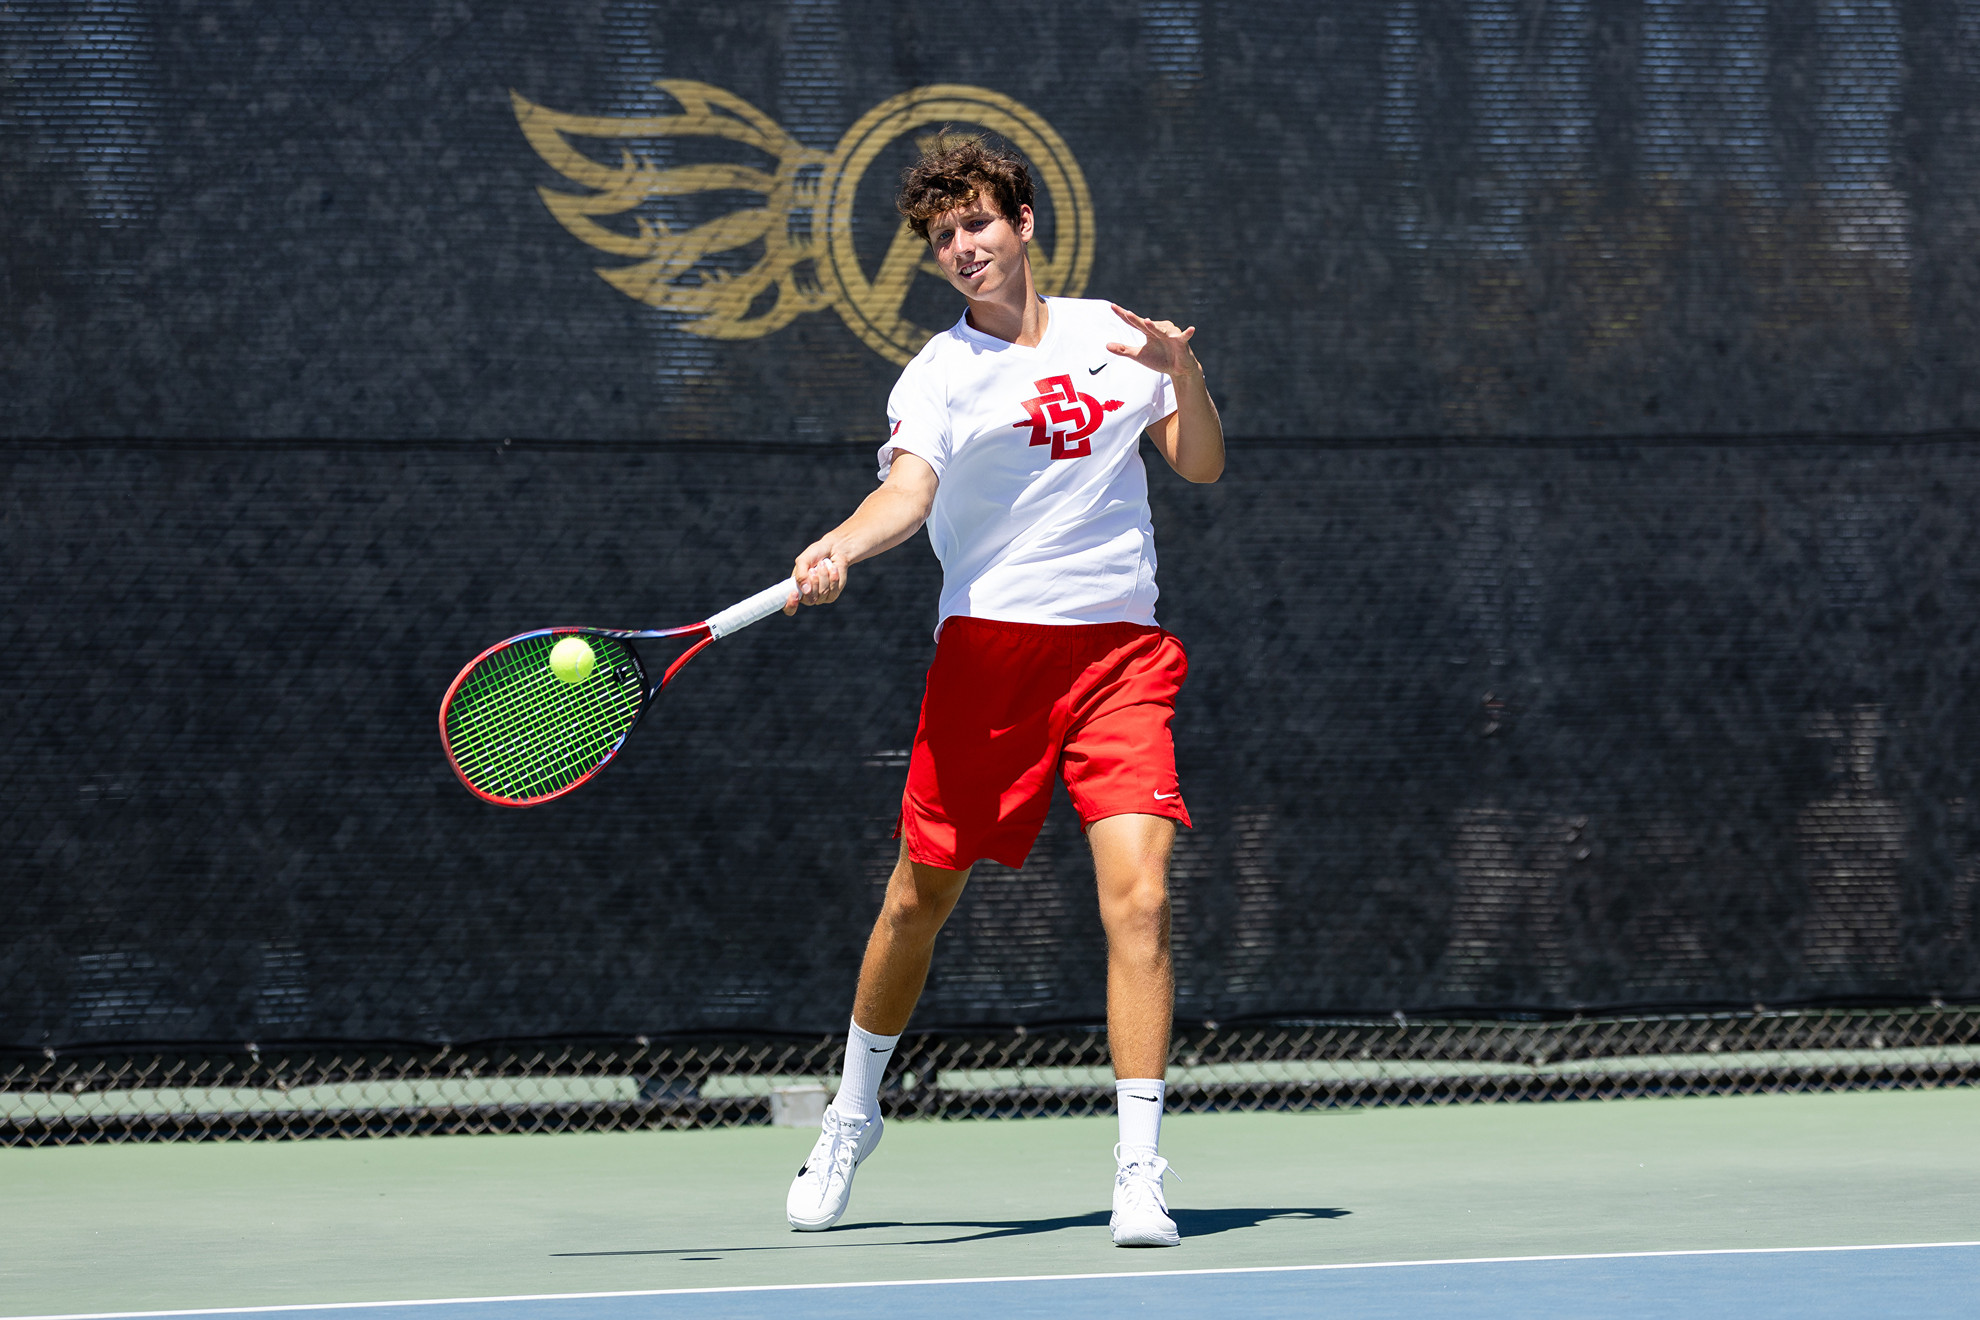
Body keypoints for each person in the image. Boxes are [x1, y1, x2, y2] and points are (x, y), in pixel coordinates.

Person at [778, 134, 1224, 1248]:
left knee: (1141, 896)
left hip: (1119, 657)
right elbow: (908, 496)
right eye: (942, 239)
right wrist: (838, 544)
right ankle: (852, 1112)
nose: (963, 248)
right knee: (915, 901)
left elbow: (1201, 464)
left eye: (977, 224)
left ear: (1023, 222)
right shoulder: (935, 376)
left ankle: (1137, 1167)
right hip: (990, 665)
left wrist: (1186, 375)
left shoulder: (1120, 338)